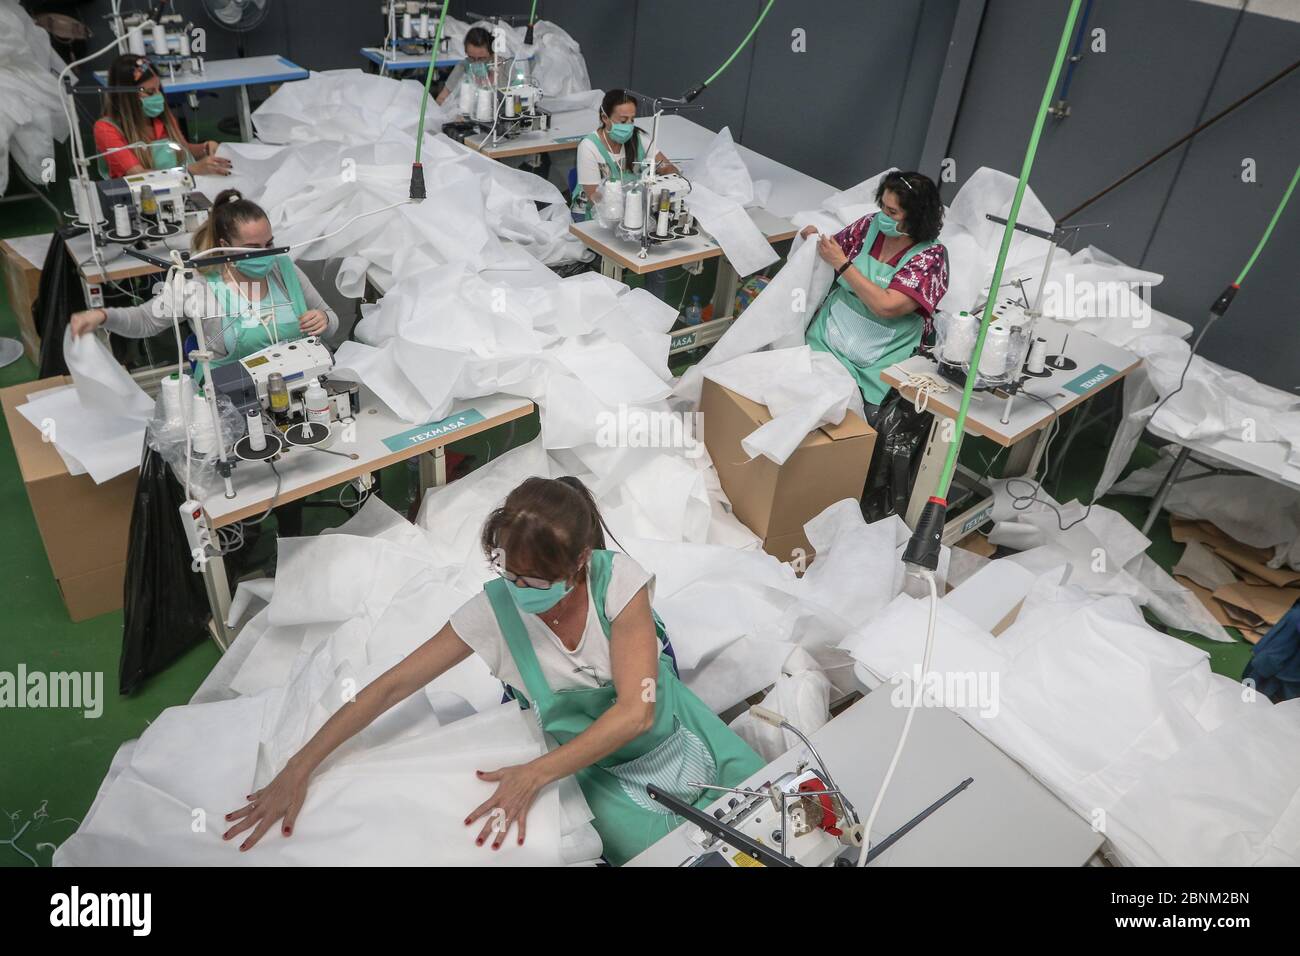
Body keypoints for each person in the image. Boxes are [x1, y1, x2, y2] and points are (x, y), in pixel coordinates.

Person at [221, 476, 764, 866]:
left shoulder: (616, 581)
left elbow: (636, 713)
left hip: (674, 730)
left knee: (767, 807)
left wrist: (534, 773)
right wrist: (299, 765)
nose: (520, 591)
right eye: (511, 574)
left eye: (535, 580)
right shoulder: (494, 613)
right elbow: (391, 686)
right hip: (596, 768)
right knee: (678, 857)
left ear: (578, 564)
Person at [69, 189, 338, 366]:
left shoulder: (284, 269)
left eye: (269, 244)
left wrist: (324, 320)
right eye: (253, 249)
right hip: (236, 398)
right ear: (224, 246)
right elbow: (146, 321)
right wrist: (103, 316)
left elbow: (329, 318)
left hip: (304, 381)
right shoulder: (199, 286)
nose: (266, 255)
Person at [802, 170, 949, 422]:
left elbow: (887, 306)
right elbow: (832, 253)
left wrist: (844, 265)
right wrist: (813, 239)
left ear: (916, 218)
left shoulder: (931, 258)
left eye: (892, 213)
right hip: (826, 342)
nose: (884, 216)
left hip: (877, 367)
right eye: (883, 206)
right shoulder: (868, 226)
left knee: (851, 427)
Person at [93, 55, 231, 179]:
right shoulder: (106, 129)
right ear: (126, 97)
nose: (159, 97)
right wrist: (191, 170)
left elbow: (183, 149)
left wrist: (205, 148)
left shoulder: (162, 116)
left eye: (159, 89)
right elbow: (138, 175)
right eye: (150, 92)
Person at [571, 88, 677, 222]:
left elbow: (668, 168)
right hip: (597, 216)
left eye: (632, 120)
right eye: (622, 121)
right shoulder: (588, 147)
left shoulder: (638, 138)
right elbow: (594, 198)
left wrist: (668, 183)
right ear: (605, 118)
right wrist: (629, 204)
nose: (628, 126)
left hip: (634, 213)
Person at [435, 26, 497, 106]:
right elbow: (441, 98)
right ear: (466, 52)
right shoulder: (462, 67)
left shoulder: (504, 68)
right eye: (471, 57)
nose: (476, 63)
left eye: (482, 58)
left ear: (492, 53)